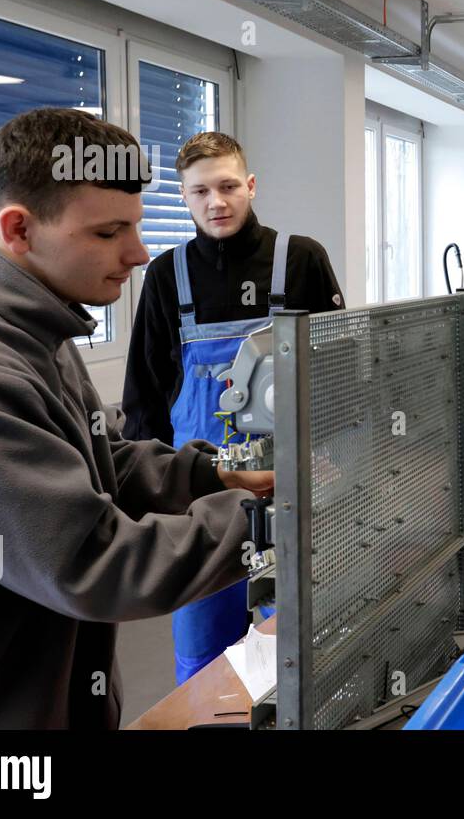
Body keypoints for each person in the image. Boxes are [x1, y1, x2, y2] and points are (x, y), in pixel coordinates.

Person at [0, 108, 272, 727]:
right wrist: (269, 520)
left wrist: (215, 479)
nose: (138, 252)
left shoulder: (32, 321)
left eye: (136, 226)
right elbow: (91, 562)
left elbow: (100, 456)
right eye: (108, 233)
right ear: (18, 228)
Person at [121, 131, 344, 685]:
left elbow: (343, 374)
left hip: (292, 486)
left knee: (297, 641)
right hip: (199, 494)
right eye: (199, 192)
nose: (215, 203)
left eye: (226, 187)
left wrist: (340, 459)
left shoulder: (301, 260)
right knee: (201, 648)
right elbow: (145, 394)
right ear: (184, 198)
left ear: (250, 185)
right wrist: (152, 497)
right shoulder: (166, 277)